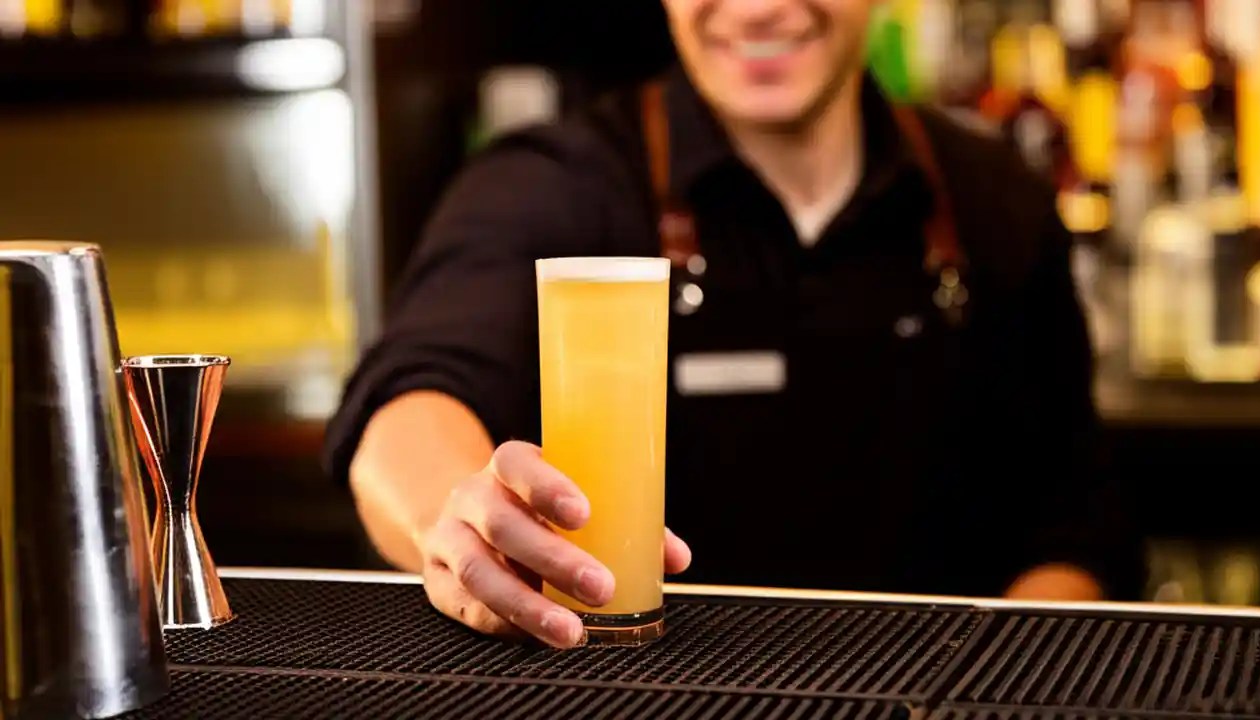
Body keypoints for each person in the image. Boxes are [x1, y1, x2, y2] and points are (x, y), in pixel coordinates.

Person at [324, 0, 1146, 650]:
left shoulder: (995, 198)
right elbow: (411, 397)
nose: (754, 9)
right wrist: (453, 521)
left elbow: (1076, 522)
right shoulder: (551, 185)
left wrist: (1000, 675)